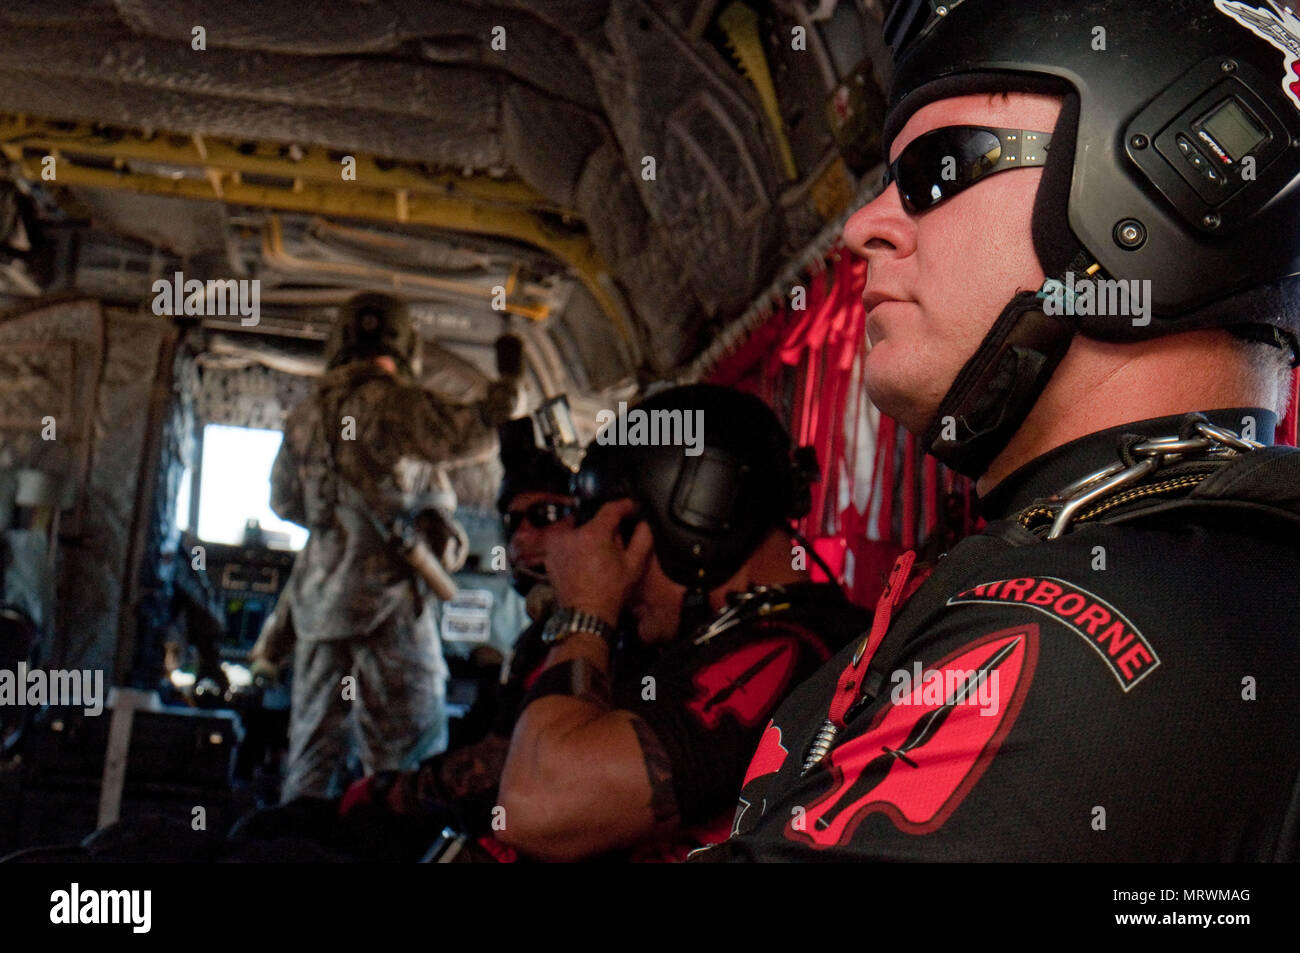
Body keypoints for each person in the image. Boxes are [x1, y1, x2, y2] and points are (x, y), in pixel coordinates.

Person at [696, 0, 1300, 862]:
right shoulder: (1182, 571)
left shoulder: (1087, 636)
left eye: (934, 172)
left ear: (1152, 186)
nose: (861, 226)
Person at [495, 384, 871, 861]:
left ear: (698, 516)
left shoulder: (798, 649)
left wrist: (586, 610)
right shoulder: (718, 633)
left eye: (622, 533)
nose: (618, 572)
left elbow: (537, 807)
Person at [269, 291, 517, 803]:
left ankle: (290, 845)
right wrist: (508, 386)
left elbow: (283, 501)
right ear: (406, 344)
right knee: (411, 759)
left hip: (317, 610)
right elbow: (473, 433)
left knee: (311, 757)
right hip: (389, 608)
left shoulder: (303, 418)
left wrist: (334, 526)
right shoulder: (393, 400)